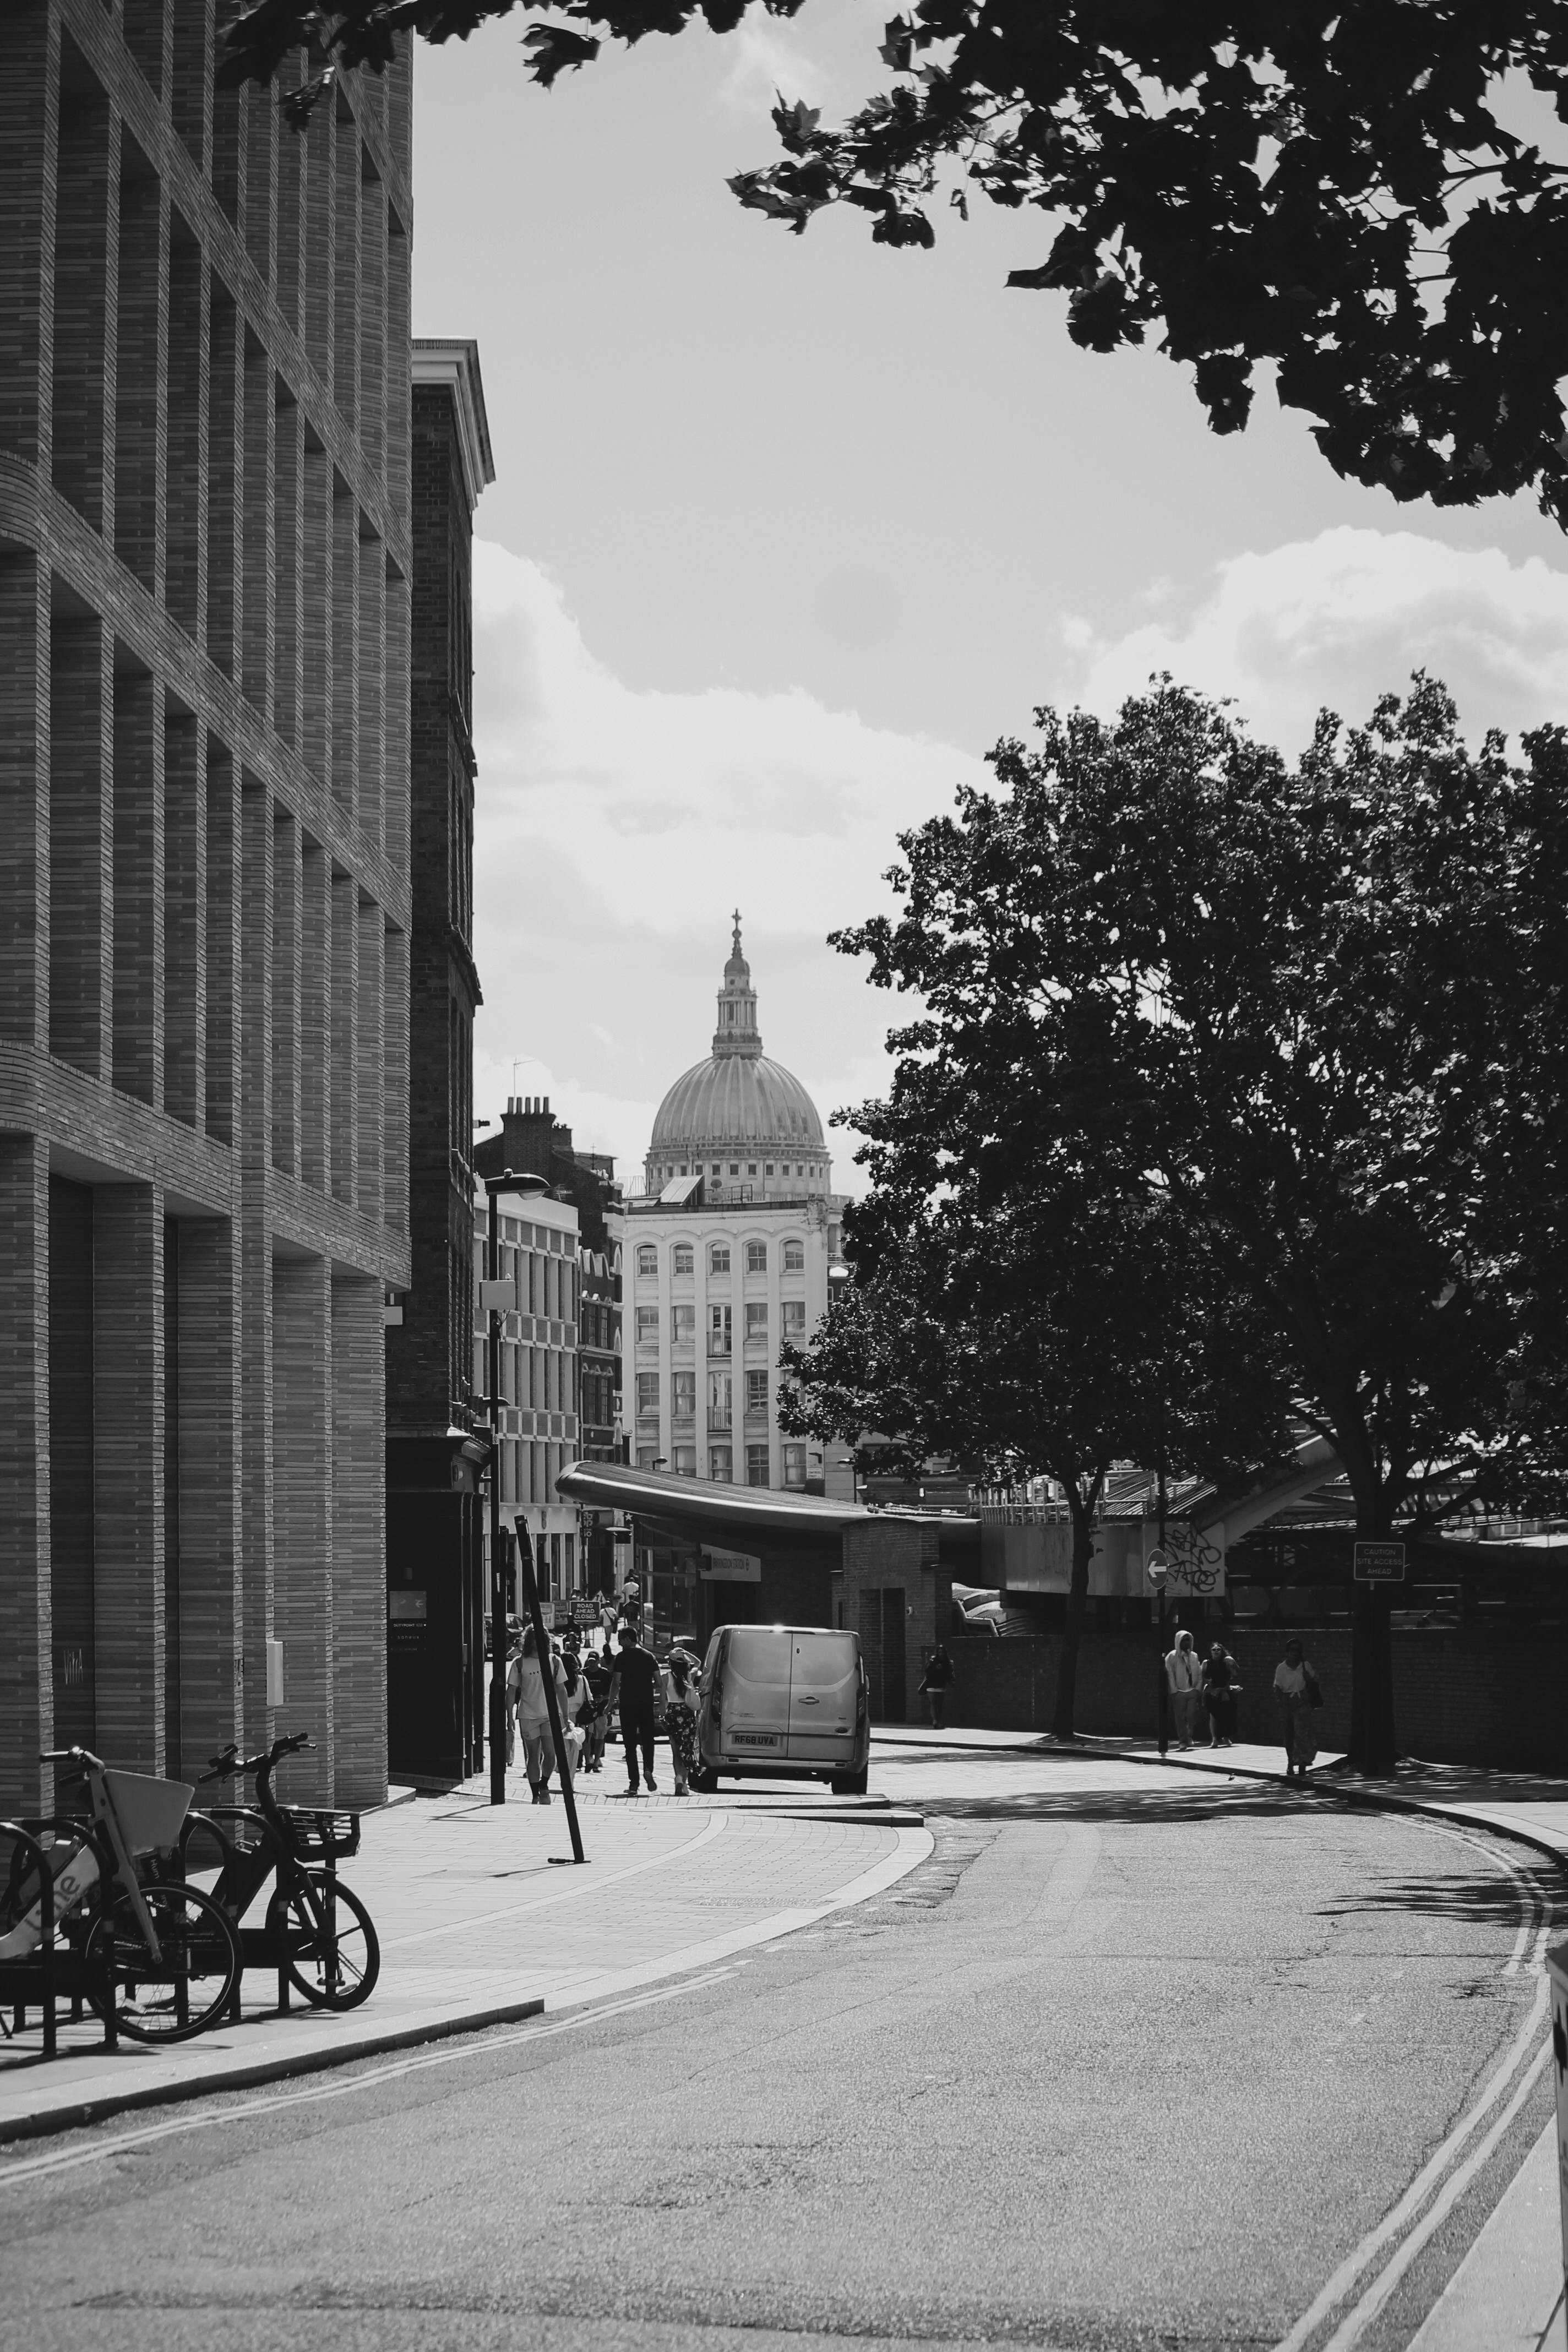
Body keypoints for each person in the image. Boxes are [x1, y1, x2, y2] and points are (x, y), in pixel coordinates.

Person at [514, 1624, 570, 1803]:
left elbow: (561, 1690)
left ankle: (544, 1783)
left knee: (550, 1754)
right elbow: (510, 1691)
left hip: (550, 1715)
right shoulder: (520, 1662)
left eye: (541, 1638)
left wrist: (566, 1716)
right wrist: (509, 1716)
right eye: (534, 1638)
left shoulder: (554, 1661)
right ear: (528, 1641)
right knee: (533, 1754)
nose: (537, 1642)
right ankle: (535, 1793)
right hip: (528, 1715)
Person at [603, 1623, 661, 1794]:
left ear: (628, 1639)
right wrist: (646, 1684)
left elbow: (616, 1682)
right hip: (646, 1704)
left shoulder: (622, 1657)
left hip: (628, 1705)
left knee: (630, 1745)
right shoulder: (649, 1656)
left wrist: (609, 1704)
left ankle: (634, 1784)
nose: (620, 1643)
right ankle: (649, 1769)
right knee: (648, 1741)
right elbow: (659, 1682)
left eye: (621, 1639)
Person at [1272, 1637, 1320, 1782]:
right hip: (1287, 1702)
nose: (1295, 1653)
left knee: (1302, 1733)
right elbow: (1277, 1686)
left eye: (1298, 1650)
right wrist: (1281, 1700)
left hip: (1302, 1701)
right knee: (1289, 1733)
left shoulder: (1305, 1665)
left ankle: (1302, 1763)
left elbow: (1314, 1682)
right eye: (1292, 1650)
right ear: (1287, 1652)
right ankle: (1290, 1762)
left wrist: (1308, 1678)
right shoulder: (1282, 1667)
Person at [663, 1648, 701, 1795]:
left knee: (675, 1752)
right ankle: (683, 1784)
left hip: (673, 1714)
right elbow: (698, 1662)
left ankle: (678, 1779)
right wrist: (686, 1653)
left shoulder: (666, 1678)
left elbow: (662, 1699)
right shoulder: (689, 1676)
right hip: (687, 1715)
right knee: (686, 1751)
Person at [1164, 1629, 1204, 1749]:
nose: (1187, 1643)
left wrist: (1197, 1689)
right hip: (1179, 1692)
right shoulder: (1172, 1657)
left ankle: (1189, 1735)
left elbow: (1199, 1673)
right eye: (1184, 1640)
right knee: (1180, 1717)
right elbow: (1170, 1674)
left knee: (1192, 1715)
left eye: (1188, 1640)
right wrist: (1174, 1690)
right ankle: (1183, 1740)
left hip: (1192, 1690)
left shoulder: (1194, 1656)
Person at [1201, 1640, 1240, 1747]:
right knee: (1214, 1715)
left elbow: (1236, 1673)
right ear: (1211, 1652)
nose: (1216, 1651)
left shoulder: (1226, 1662)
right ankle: (1214, 1739)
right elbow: (1201, 1677)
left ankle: (1226, 1736)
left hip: (1225, 1691)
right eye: (1214, 1650)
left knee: (1227, 1715)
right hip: (1212, 1692)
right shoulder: (1206, 1663)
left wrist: (1233, 1662)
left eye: (1218, 1649)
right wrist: (1207, 1683)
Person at [917, 1642, 956, 1730]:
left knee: (939, 1705)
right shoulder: (933, 1661)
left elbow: (950, 1673)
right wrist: (935, 1668)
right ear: (937, 1653)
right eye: (939, 1652)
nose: (941, 1654)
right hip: (931, 1685)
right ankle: (936, 1722)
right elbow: (927, 1672)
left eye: (942, 1652)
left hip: (941, 1685)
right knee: (934, 1704)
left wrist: (952, 1681)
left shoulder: (948, 1662)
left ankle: (938, 1721)